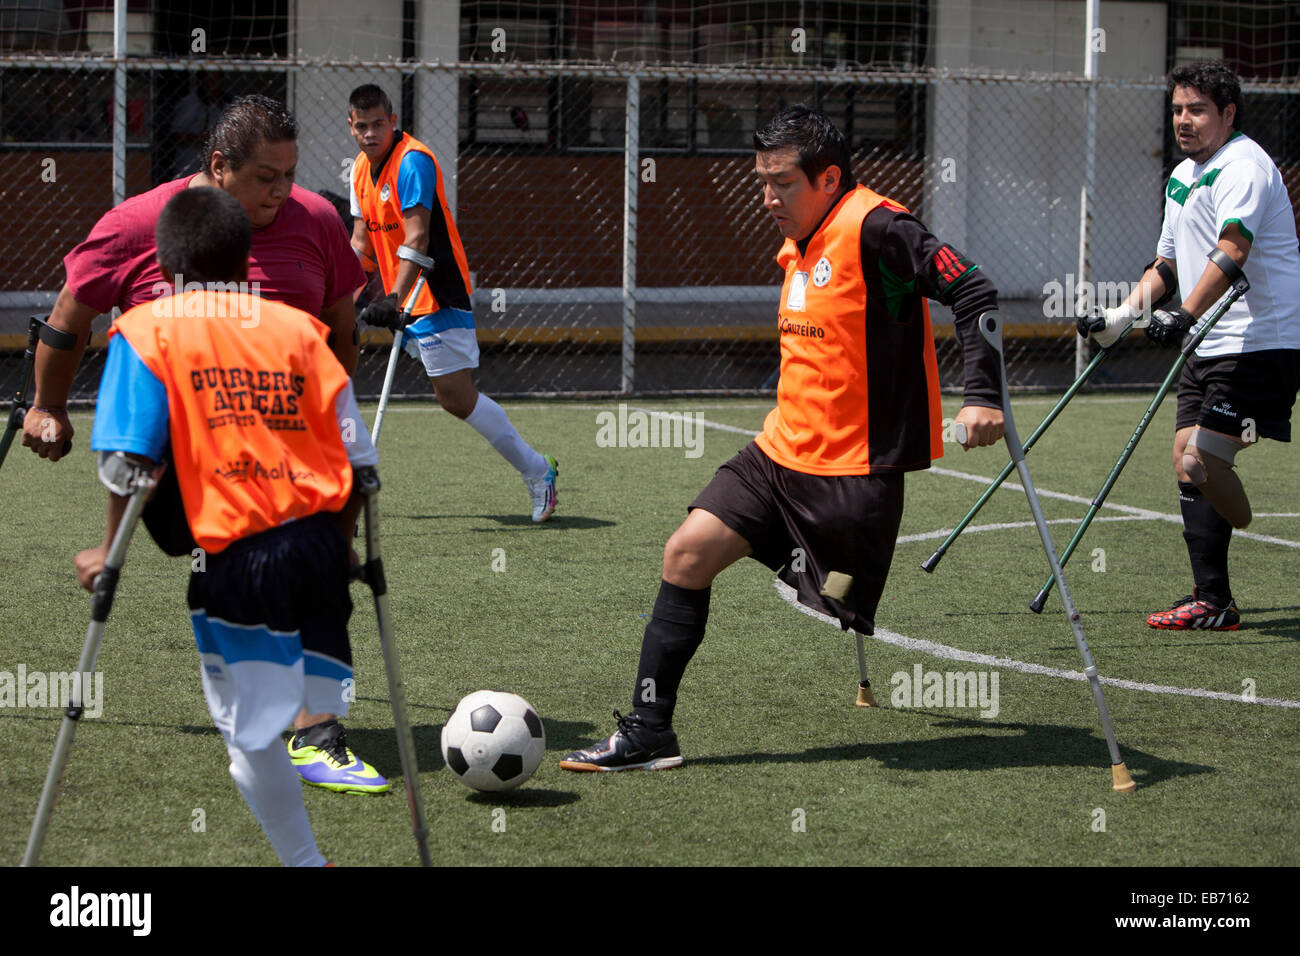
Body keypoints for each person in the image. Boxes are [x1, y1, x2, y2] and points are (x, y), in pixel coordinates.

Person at [560, 106, 1006, 771]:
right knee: (685, 553)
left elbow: (973, 290)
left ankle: (848, 589)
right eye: (761, 182)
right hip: (773, 458)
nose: (767, 198)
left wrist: (983, 397)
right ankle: (649, 732)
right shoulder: (802, 237)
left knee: (846, 598)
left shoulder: (880, 228)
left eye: (782, 183)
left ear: (828, 179)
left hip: (850, 480)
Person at [23, 95, 386, 794]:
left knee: (312, 559)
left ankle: (315, 730)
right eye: (263, 178)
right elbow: (72, 310)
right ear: (219, 167)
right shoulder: (139, 225)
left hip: (279, 440)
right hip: (185, 459)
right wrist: (47, 408)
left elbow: (339, 325)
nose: (282, 193)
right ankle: (256, 707)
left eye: (289, 174)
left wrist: (330, 410)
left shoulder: (313, 220)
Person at [77, 186, 380, 864]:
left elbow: (126, 463)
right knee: (300, 706)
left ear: (162, 261)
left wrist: (106, 553)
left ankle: (308, 862)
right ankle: (322, 742)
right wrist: (347, 544)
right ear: (249, 259)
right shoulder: (301, 330)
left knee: (248, 739)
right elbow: (361, 460)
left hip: (240, 563)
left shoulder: (147, 330)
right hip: (322, 552)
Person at [1079, 61, 1300, 631]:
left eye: (1197, 109)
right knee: (1185, 460)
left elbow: (1233, 250)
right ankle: (1214, 601)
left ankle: (1241, 522)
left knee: (1201, 458)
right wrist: (1122, 316)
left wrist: (1182, 316)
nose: (1184, 119)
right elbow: (1168, 264)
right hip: (1209, 342)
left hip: (1261, 342)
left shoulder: (1244, 166)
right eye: (1178, 109)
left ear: (1228, 114)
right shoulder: (1183, 175)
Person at [345, 84, 559, 522]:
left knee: (457, 398)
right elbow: (361, 244)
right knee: (341, 366)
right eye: (362, 126)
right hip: (401, 297)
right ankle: (338, 485)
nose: (370, 133)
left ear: (393, 120)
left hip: (433, 292)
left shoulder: (413, 161)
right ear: (351, 127)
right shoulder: (359, 173)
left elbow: (418, 237)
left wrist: (392, 298)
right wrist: (341, 298)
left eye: (378, 125)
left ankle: (539, 471)